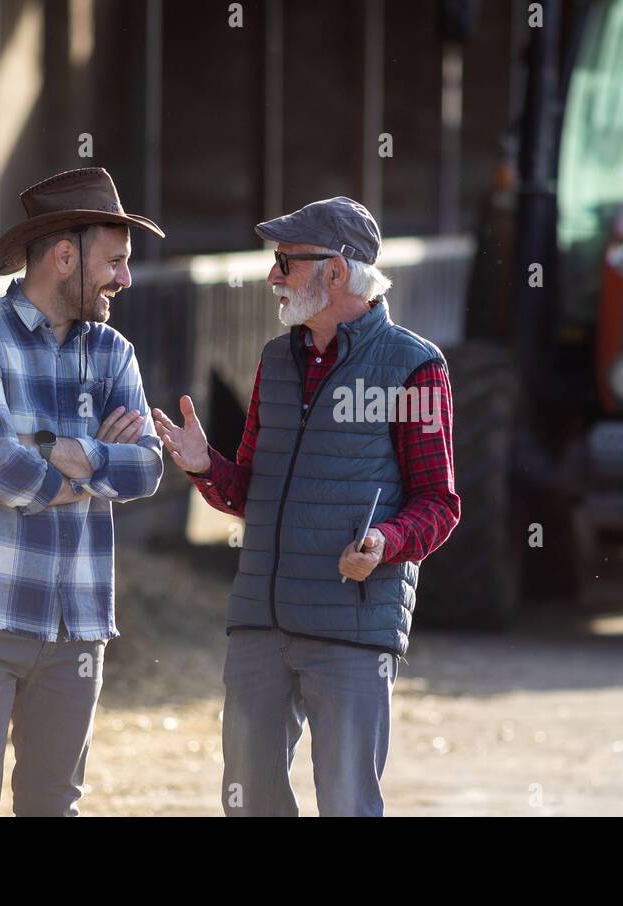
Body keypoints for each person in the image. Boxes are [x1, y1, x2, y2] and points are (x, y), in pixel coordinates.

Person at [154, 196, 461, 816]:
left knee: (346, 804)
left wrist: (384, 544)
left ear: (338, 272)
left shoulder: (415, 367)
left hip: (351, 630)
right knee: (247, 801)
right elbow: (251, 490)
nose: (274, 276)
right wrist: (201, 464)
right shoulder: (275, 360)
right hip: (260, 625)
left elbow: (439, 503)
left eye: (287, 261)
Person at [0, 167, 164, 816]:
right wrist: (94, 462)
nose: (125, 278)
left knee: (54, 804)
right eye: (114, 261)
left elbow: (146, 468)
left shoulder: (114, 354)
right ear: (64, 257)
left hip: (78, 623)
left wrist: (53, 446)